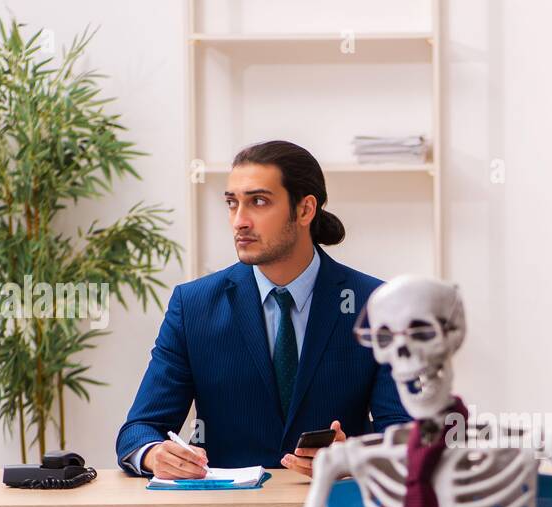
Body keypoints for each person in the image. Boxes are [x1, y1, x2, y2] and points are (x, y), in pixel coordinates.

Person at [116, 140, 410, 479]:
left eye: (258, 202)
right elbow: (139, 429)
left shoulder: (376, 305)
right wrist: (154, 454)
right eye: (231, 203)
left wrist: (354, 457)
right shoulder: (193, 306)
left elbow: (407, 434)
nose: (239, 221)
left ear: (304, 210)